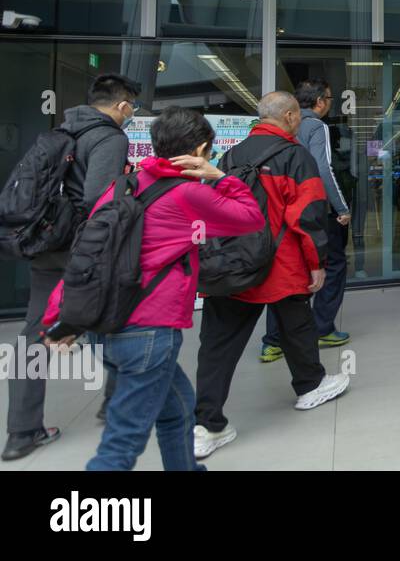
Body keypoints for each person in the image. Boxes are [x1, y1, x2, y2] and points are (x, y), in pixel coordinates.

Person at [41, 107, 264, 470]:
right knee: (123, 443)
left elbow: (88, 254)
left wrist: (59, 317)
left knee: (177, 411)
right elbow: (250, 218)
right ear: (202, 150)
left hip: (106, 329)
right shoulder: (188, 194)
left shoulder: (123, 186)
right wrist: (220, 175)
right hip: (147, 334)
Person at [193, 92, 351, 459]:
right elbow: (308, 217)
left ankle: (207, 425)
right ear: (292, 116)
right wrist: (317, 263)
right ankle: (310, 386)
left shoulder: (231, 156)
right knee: (296, 325)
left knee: (218, 345)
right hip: (282, 263)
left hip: (234, 264)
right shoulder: (296, 156)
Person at [3, 73, 136, 462]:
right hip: (84, 249)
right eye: (132, 108)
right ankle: (112, 405)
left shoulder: (60, 131)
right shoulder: (110, 137)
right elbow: (100, 199)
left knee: (33, 335)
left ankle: (21, 432)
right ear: (122, 106)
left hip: (47, 243)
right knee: (118, 320)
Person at [261, 79, 352, 362]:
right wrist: (341, 207)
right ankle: (322, 327)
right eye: (329, 99)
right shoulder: (316, 126)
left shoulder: (271, 129)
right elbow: (322, 169)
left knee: (286, 270)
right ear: (320, 102)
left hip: (279, 212)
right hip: (312, 211)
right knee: (335, 264)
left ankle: (273, 341)